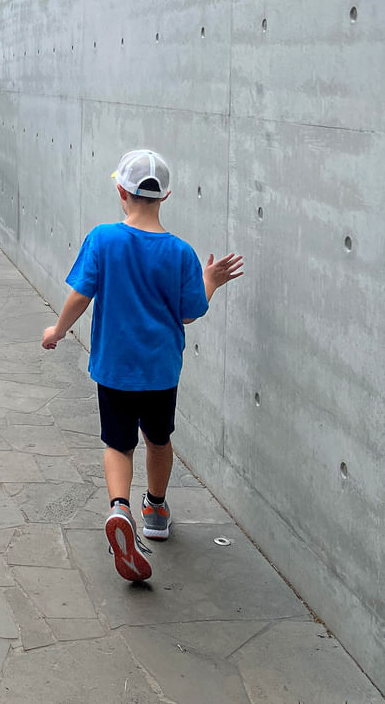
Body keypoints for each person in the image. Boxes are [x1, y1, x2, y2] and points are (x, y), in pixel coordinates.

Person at [41, 149, 243, 582]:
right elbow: (189, 312)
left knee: (117, 445)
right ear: (164, 196)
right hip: (160, 371)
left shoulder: (103, 238)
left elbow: (81, 294)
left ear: (121, 191)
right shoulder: (181, 252)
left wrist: (58, 330)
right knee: (158, 440)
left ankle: (119, 509)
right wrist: (210, 281)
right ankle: (154, 509)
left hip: (114, 367)